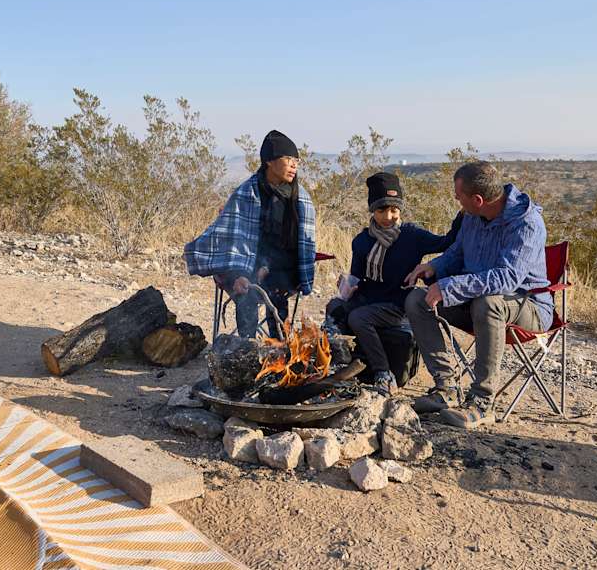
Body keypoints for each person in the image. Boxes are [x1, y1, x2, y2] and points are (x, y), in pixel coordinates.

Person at [403, 161, 551, 428]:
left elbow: (507, 278)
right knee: (417, 300)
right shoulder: (472, 217)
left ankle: (483, 401)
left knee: (488, 303)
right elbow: (457, 253)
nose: (456, 199)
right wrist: (433, 266)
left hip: (528, 305)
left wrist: (449, 287)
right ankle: (446, 388)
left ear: (478, 200)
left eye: (459, 195)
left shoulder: (526, 224)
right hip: (476, 300)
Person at [184, 130, 316, 338]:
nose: (294, 165)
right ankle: (247, 348)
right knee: (246, 295)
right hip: (242, 266)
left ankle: (279, 348)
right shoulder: (246, 193)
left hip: (281, 268)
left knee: (277, 292)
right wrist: (239, 274)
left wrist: (267, 267)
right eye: (288, 159)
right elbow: (231, 240)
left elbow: (296, 246)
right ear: (269, 161)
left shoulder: (299, 199)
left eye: (296, 161)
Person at [342, 172, 454, 395]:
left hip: (398, 304)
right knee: (334, 310)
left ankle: (383, 373)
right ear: (372, 210)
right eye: (381, 210)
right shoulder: (362, 241)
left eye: (394, 210)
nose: (388, 217)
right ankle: (341, 367)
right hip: (369, 299)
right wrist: (346, 289)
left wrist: (463, 216)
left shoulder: (412, 236)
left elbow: (446, 242)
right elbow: (356, 276)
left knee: (358, 318)